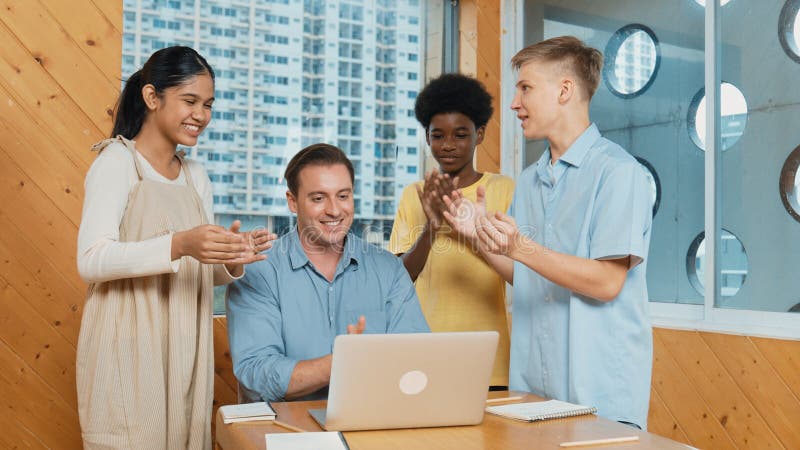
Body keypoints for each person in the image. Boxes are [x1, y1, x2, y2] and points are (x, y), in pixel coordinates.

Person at [444, 36, 654, 429]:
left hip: (601, 398)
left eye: (525, 88)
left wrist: (520, 247)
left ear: (564, 90)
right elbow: (526, 275)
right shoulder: (529, 181)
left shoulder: (619, 173)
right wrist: (478, 236)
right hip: (534, 394)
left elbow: (607, 282)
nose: (514, 103)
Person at [75, 46, 276, 449]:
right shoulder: (117, 162)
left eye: (208, 104)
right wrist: (180, 243)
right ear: (152, 97)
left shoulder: (195, 175)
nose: (201, 115)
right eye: (190, 101)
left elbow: (194, 266)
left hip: (185, 347)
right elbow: (91, 260)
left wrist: (230, 258)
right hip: (128, 346)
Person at [226, 143, 429, 403]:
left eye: (343, 196)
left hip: (372, 418)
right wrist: (341, 363)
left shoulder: (389, 270)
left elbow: (416, 360)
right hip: (283, 424)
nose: (334, 210)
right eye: (318, 198)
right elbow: (257, 375)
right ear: (292, 201)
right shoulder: (259, 270)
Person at [389, 73, 514, 388]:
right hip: (425, 351)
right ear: (427, 137)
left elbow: (522, 273)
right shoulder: (414, 195)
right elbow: (400, 278)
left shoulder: (505, 190)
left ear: (479, 134)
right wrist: (433, 227)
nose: (447, 145)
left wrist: (473, 230)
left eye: (460, 135)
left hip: (490, 356)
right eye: (438, 135)